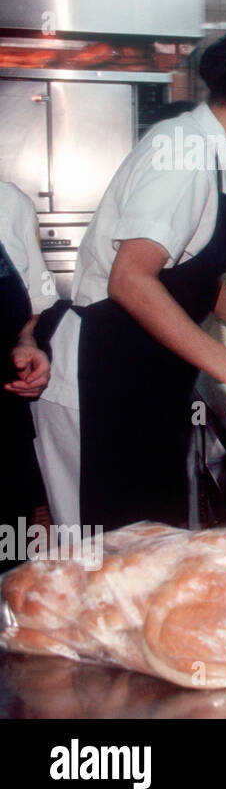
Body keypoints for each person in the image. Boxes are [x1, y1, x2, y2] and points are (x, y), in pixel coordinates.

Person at [33, 30, 226, 532]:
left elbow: (191, 277)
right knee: (106, 554)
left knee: (149, 545)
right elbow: (131, 281)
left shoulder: (213, 159)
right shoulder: (184, 154)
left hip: (142, 376)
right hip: (103, 377)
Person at [1, 183, 56, 569]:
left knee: (11, 563)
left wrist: (26, 339)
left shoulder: (10, 203)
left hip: (4, 424)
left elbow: (34, 301)